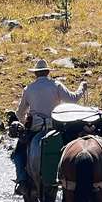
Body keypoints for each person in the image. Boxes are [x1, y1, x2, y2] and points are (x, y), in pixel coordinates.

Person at [11, 58, 86, 194]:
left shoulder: (28, 89)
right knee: (75, 148)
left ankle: (21, 181)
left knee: (18, 153)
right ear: (47, 72)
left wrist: (24, 123)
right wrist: (82, 88)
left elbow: (20, 112)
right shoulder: (56, 85)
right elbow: (73, 99)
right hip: (56, 129)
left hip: (36, 129)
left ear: (35, 74)